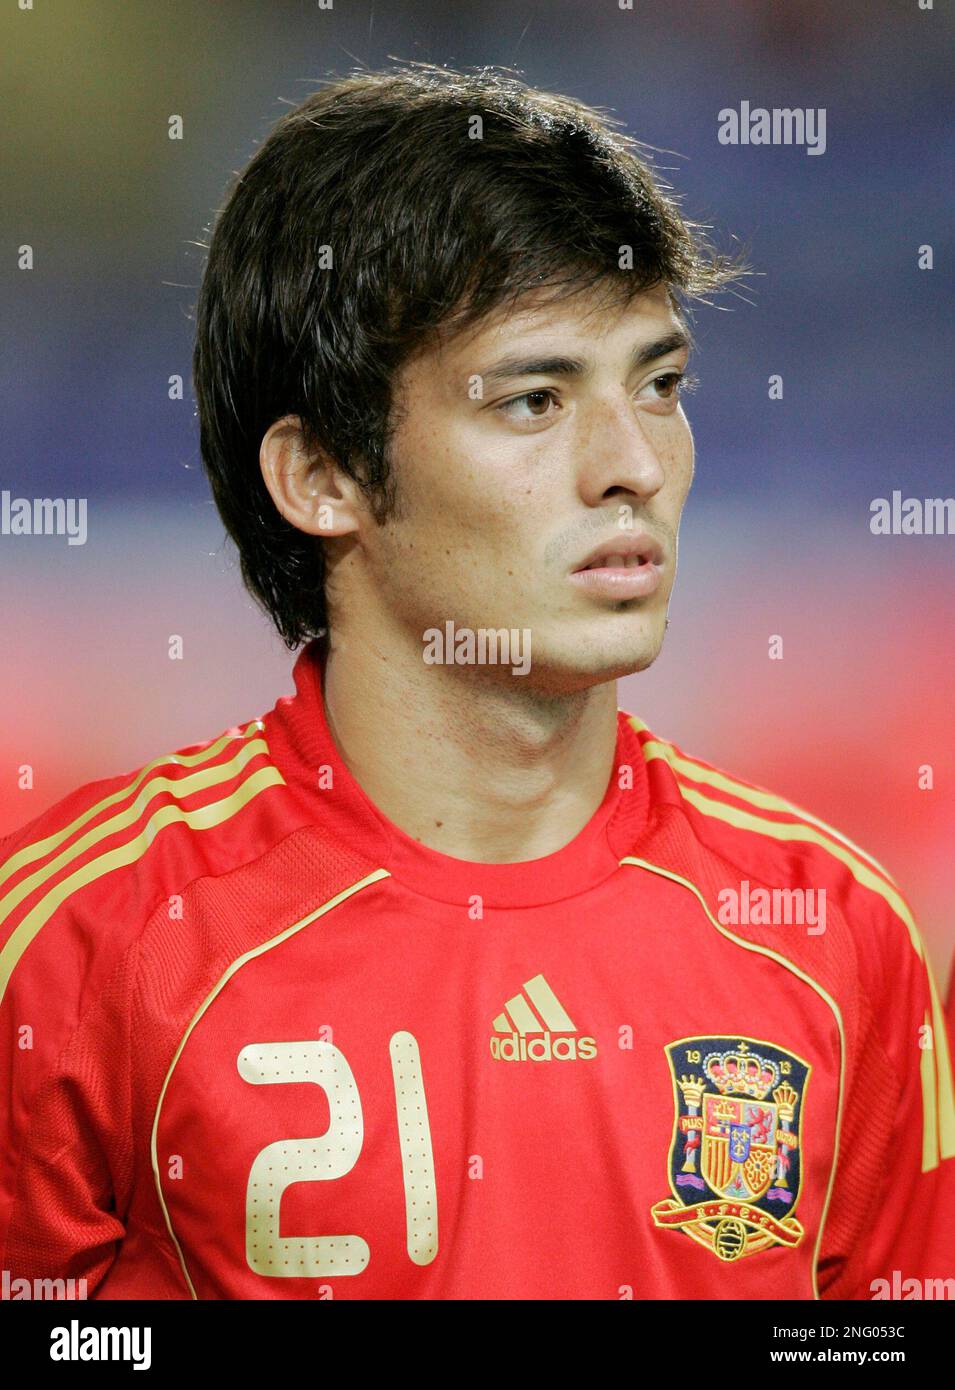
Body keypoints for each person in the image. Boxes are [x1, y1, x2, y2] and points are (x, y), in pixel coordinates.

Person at [1, 65, 952, 1301]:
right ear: (322, 476)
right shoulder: (77, 945)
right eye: (534, 399)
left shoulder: (838, 937)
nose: (633, 466)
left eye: (658, 386)